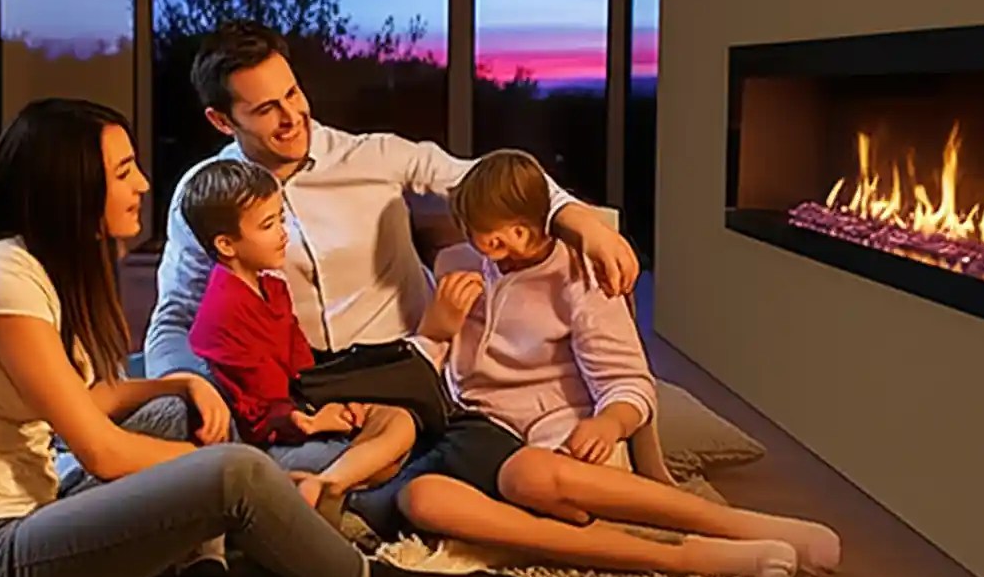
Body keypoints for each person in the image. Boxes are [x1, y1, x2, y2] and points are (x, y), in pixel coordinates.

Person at [0, 98, 529, 577]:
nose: (141, 184)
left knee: (175, 411)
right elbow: (100, 452)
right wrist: (228, 470)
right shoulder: (1, 281)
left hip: (36, 505)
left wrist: (185, 381)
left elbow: (86, 400)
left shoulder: (44, 273)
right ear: (72, 187)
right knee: (233, 473)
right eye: (123, 171)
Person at [321, 149, 844, 577]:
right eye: (489, 238)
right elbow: (427, 371)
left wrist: (609, 422)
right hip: (475, 433)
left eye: (515, 234)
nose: (502, 250)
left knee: (531, 478)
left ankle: (734, 526)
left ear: (540, 222)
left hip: (561, 438)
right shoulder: (456, 266)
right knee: (425, 498)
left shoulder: (580, 274)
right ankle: (668, 556)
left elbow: (625, 379)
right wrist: (438, 327)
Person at [144, 19, 639, 383]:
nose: (292, 116)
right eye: (267, 109)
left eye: (293, 94)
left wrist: (576, 218)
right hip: (292, 379)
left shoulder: (373, 156)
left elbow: (496, 178)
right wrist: (184, 386)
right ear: (222, 121)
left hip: (403, 360)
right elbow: (175, 314)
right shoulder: (202, 195)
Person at [183, 159, 415, 505]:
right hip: (272, 439)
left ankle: (329, 484)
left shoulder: (272, 288)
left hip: (303, 407)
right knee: (384, 464)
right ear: (226, 245)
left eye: (280, 218)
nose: (282, 232)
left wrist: (335, 401)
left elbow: (301, 364)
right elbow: (259, 414)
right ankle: (327, 486)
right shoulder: (223, 314)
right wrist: (312, 421)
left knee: (400, 419)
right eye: (267, 225)